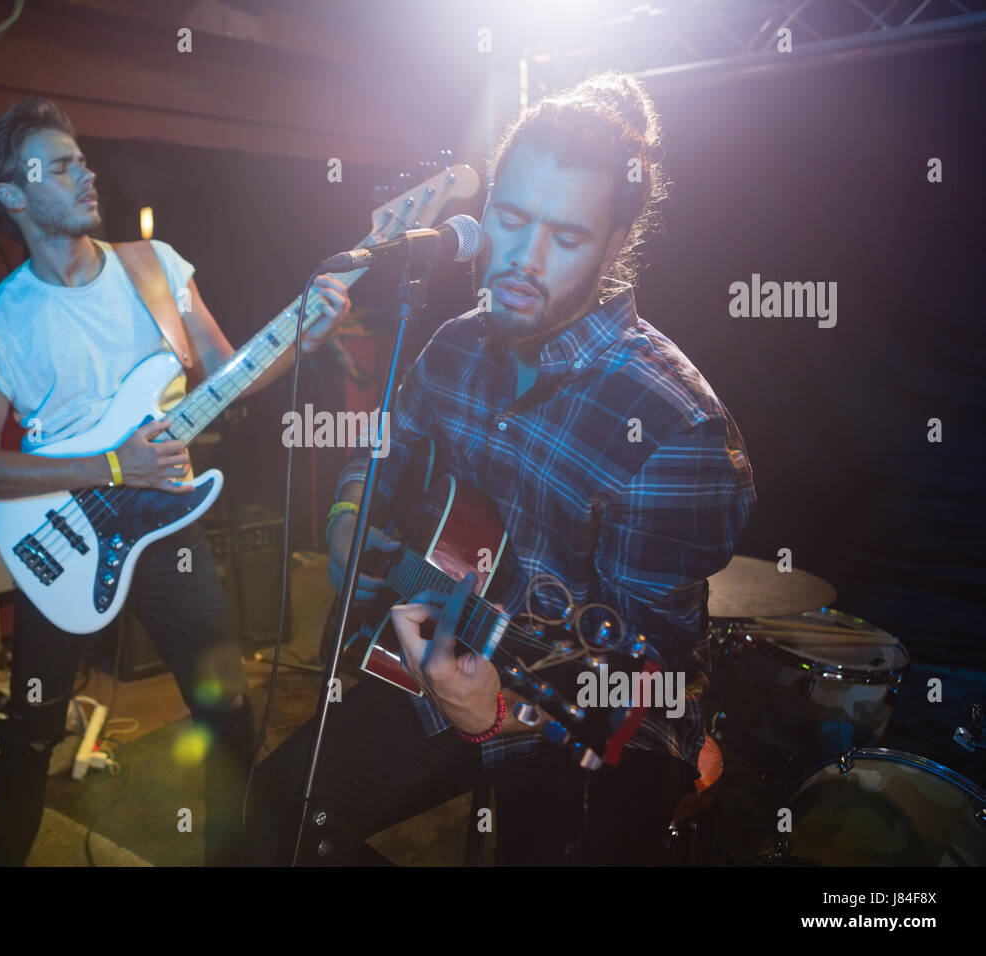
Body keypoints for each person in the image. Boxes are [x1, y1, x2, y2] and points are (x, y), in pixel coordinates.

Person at [244, 72, 756, 866]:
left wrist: (494, 718)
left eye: (568, 237)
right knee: (271, 815)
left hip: (564, 726)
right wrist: (348, 520)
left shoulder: (673, 425)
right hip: (429, 658)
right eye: (510, 219)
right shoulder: (453, 343)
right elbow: (382, 451)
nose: (523, 257)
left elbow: (646, 694)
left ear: (617, 242)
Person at [0, 98, 349, 865]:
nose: (85, 172)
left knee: (226, 709)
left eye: (82, 158)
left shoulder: (152, 266)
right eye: (60, 165)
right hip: (57, 540)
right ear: (12, 194)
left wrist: (305, 332)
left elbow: (234, 375)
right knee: (33, 732)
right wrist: (110, 466)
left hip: (169, 530)